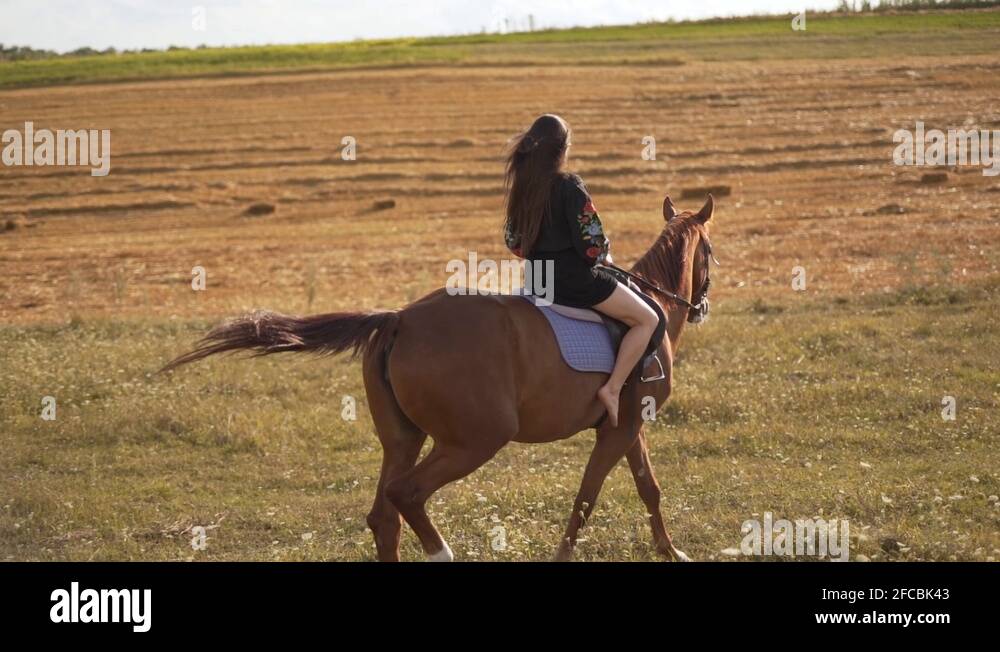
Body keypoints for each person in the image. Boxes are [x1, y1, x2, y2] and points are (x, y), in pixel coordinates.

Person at [503, 114, 658, 427]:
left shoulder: (523, 186)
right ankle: (612, 390)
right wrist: (603, 255)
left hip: (538, 281)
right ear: (563, 149)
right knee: (647, 319)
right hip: (575, 282)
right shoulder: (569, 186)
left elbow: (514, 243)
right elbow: (592, 244)